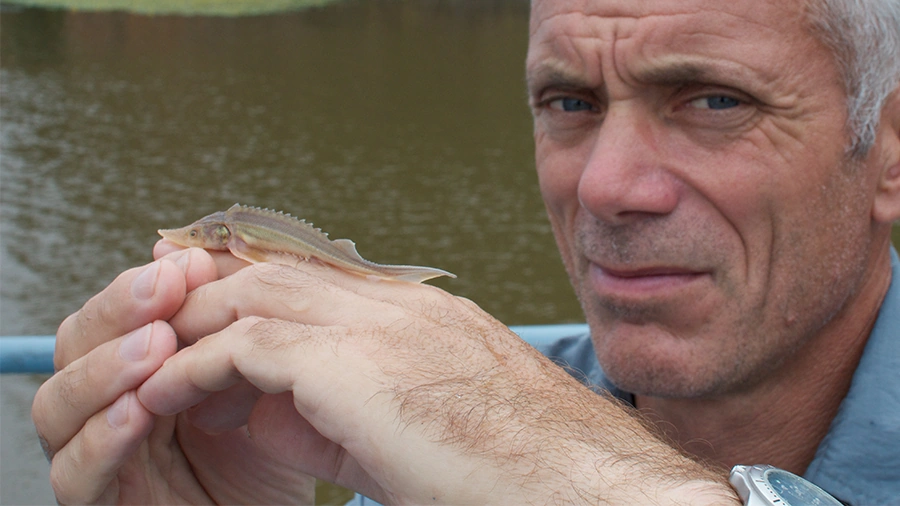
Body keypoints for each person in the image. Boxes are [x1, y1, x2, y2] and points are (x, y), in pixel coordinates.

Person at [32, 0, 900, 503]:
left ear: (889, 151)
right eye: (568, 102)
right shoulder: (409, 444)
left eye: (715, 101)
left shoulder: (480, 426)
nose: (603, 186)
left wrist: (583, 477)